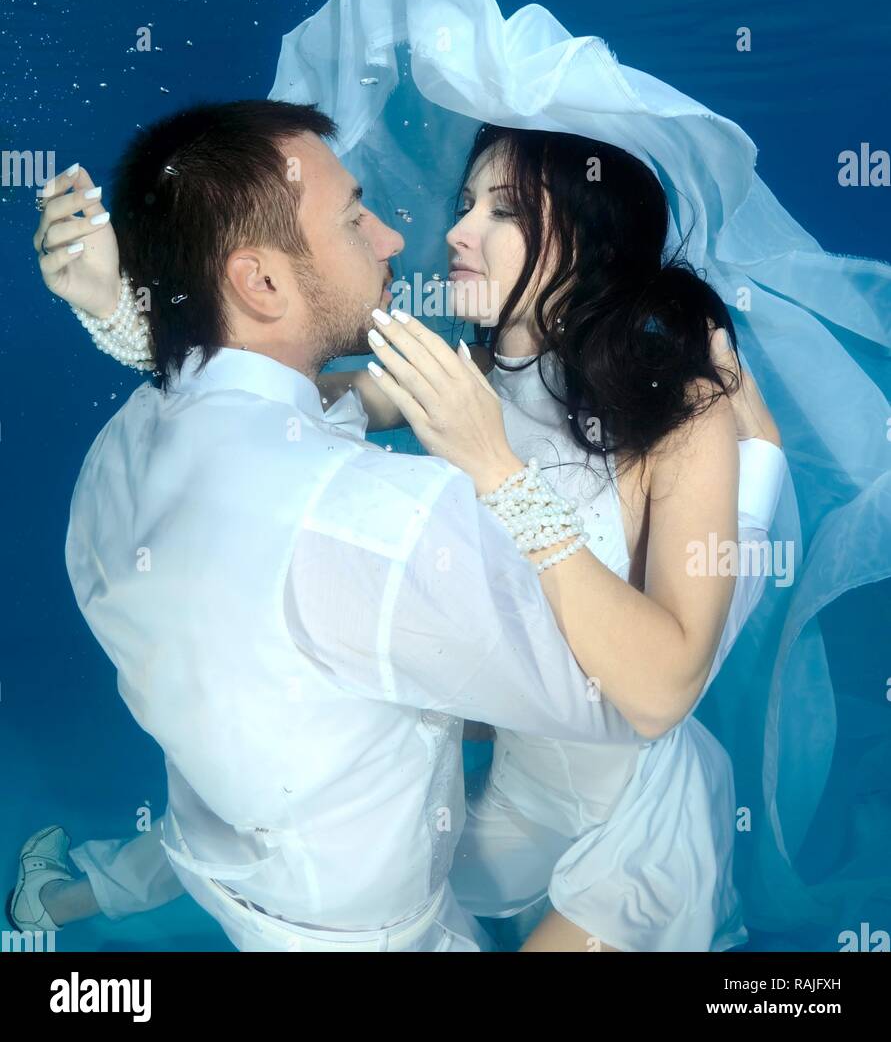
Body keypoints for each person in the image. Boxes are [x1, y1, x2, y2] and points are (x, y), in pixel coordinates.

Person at [14, 106, 786, 951]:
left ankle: (59, 898)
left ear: (589, 241)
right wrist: (125, 313)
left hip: (630, 806)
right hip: (517, 776)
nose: (452, 231)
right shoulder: (477, 370)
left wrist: (496, 468)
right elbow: (280, 401)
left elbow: (664, 686)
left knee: (277, 801)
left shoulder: (679, 405)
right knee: (284, 799)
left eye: (503, 212)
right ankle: (59, 897)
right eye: (465, 201)